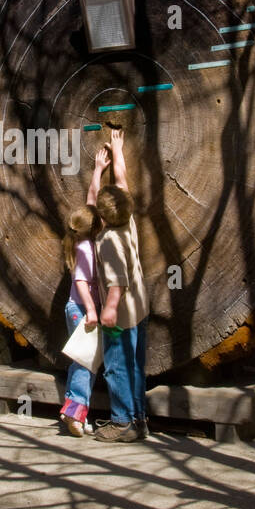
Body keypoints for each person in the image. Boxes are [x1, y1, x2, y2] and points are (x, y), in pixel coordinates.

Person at [93, 127, 149, 443]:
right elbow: (123, 185)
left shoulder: (108, 242)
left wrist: (109, 310)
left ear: (101, 215)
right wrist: (117, 152)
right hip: (140, 309)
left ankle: (121, 421)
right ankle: (139, 418)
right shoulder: (127, 221)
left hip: (120, 315)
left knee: (116, 366)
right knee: (136, 365)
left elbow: (116, 282)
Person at [57, 145, 110, 437]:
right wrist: (91, 309)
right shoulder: (88, 249)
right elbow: (80, 282)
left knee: (86, 360)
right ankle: (73, 414)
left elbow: (91, 202)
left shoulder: (81, 237)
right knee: (84, 362)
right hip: (82, 310)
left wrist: (98, 171)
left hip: (80, 309)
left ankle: (77, 412)